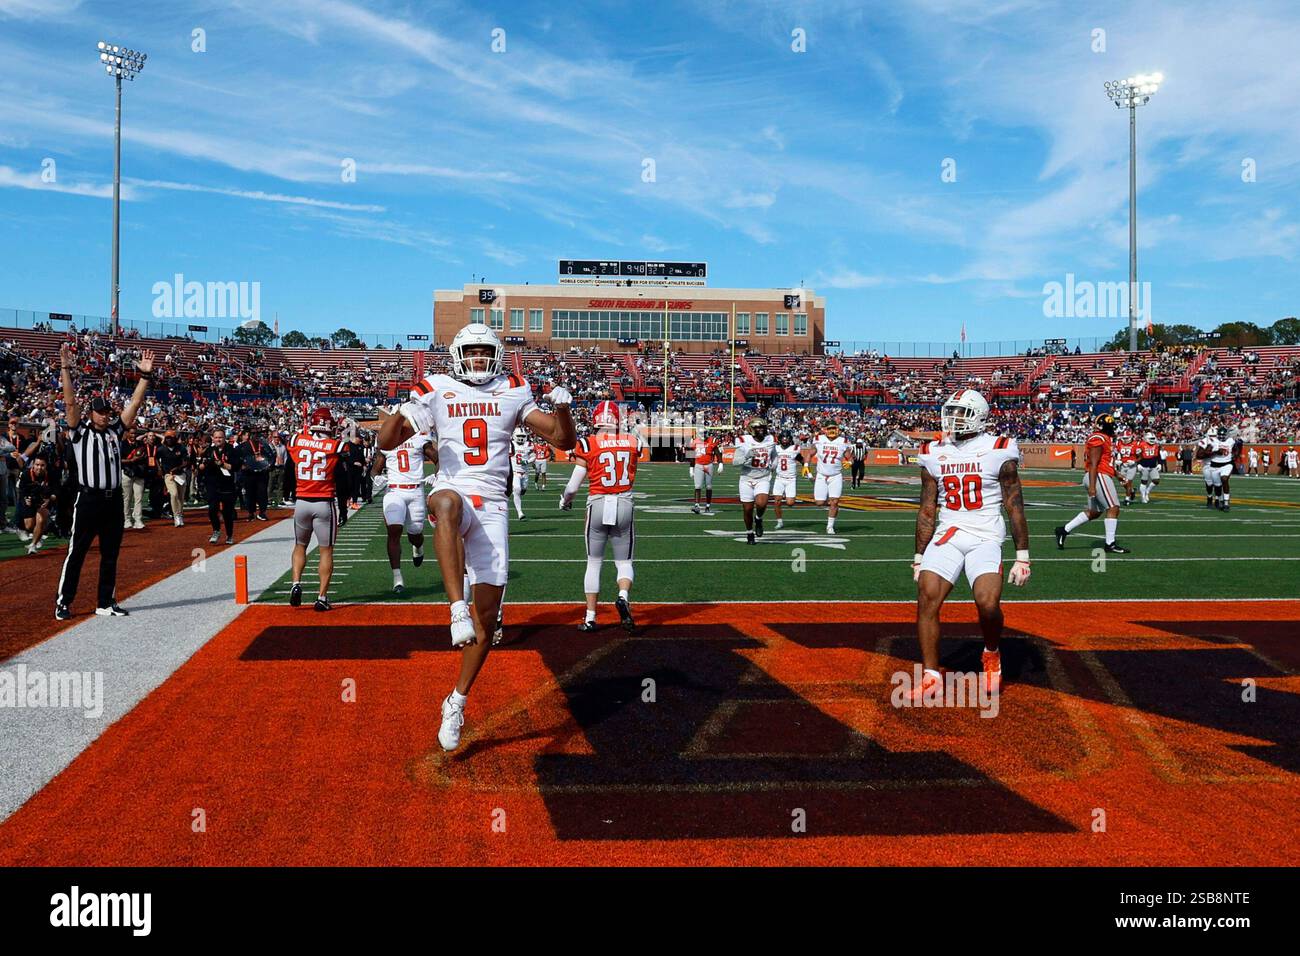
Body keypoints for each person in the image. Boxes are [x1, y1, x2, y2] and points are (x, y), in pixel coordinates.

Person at [378, 321, 575, 753]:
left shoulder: (514, 388)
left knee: (486, 624)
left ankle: (457, 700)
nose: (480, 359)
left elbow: (563, 440)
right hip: (453, 488)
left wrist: (563, 408)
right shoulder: (437, 386)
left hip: (494, 505)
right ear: (458, 355)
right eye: (473, 352)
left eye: (487, 352)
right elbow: (386, 440)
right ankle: (453, 608)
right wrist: (400, 411)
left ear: (497, 355)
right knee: (444, 504)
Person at [911, 389, 1031, 699]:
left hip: (985, 535)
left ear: (978, 415)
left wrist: (1023, 556)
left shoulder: (998, 449)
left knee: (987, 603)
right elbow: (927, 508)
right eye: (950, 411)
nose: (952, 418)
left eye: (960, 412)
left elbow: (1014, 504)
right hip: (949, 532)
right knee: (927, 596)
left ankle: (991, 653)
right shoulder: (933, 451)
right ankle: (931, 674)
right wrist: (918, 555)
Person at [54, 343, 156, 620]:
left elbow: (134, 404)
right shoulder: (79, 433)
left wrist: (144, 377)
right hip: (88, 499)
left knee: (110, 554)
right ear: (91, 414)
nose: (105, 415)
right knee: (77, 553)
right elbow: (70, 402)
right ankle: (64, 601)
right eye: (100, 412)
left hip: (112, 501)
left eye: (107, 412)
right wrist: (65, 368)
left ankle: (105, 601)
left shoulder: (113, 432)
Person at [560, 400, 640, 632]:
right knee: (624, 562)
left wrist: (565, 500)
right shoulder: (632, 441)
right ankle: (623, 596)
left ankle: (590, 617)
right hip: (624, 502)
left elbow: (573, 486)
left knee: (594, 562)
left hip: (597, 503)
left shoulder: (588, 442)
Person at [287, 407, 346, 611]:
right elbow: (344, 457)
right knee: (326, 551)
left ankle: (296, 583)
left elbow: (297, 443)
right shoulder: (336, 445)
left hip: (301, 501)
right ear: (328, 424)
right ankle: (321, 597)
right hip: (323, 502)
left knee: (300, 545)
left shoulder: (296, 440)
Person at [373, 426, 436, 594]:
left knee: (415, 534)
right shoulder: (387, 442)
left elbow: (437, 459)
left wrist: (437, 474)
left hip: (415, 491)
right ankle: (397, 577)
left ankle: (418, 547)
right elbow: (375, 469)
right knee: (394, 530)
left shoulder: (420, 439)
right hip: (394, 491)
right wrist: (376, 477)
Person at [1054, 412, 1129, 553]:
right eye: (1109, 425)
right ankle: (1110, 544)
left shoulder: (1104, 438)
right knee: (1113, 508)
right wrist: (1093, 487)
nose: (1112, 428)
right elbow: (1094, 464)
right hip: (1098, 476)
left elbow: (1103, 462)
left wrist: (1117, 474)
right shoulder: (1098, 437)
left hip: (1098, 475)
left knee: (1094, 512)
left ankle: (1063, 530)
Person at [732, 416, 775, 545]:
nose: (761, 430)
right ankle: (749, 533)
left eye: (762, 427)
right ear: (751, 429)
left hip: (763, 476)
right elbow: (735, 463)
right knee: (747, 509)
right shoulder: (743, 441)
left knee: (762, 504)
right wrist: (746, 456)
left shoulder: (770, 440)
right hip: (746, 477)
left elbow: (774, 455)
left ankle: (759, 518)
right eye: (758, 428)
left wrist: (773, 467)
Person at [199, 426, 239, 544]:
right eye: (216, 437)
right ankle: (216, 530)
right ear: (212, 438)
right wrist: (201, 467)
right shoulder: (209, 451)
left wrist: (222, 463)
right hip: (212, 483)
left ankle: (229, 535)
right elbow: (202, 465)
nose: (218, 440)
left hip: (227, 484)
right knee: (212, 510)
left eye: (220, 437)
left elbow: (235, 466)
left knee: (227, 512)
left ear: (224, 438)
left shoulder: (231, 450)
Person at [809, 420, 847, 534]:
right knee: (819, 503)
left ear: (837, 429)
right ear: (825, 429)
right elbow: (810, 453)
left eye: (833, 428)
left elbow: (850, 455)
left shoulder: (843, 441)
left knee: (834, 502)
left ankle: (830, 526)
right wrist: (806, 465)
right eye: (829, 428)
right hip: (821, 475)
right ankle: (831, 503)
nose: (831, 430)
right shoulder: (819, 439)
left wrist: (850, 461)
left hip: (836, 476)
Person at [770, 429, 803, 530]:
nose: (785, 440)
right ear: (780, 438)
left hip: (791, 479)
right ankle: (779, 522)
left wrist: (806, 468)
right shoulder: (775, 449)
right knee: (777, 501)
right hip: (779, 478)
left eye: (787, 438)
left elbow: (801, 459)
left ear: (790, 439)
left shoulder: (795, 448)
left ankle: (787, 495)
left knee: (790, 503)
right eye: (783, 438)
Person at [1196, 425, 1234, 511]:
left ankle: (1218, 499)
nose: (1213, 438)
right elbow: (1199, 455)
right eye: (1211, 436)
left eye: (1214, 436)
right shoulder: (1206, 441)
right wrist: (1215, 452)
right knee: (1209, 484)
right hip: (1208, 465)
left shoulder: (1227, 441)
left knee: (1219, 483)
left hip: (1220, 464)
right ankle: (1209, 497)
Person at [240, 427, 274, 521]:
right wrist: (242, 465)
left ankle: (262, 512)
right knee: (250, 493)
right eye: (254, 433)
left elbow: (271, 456)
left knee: (262, 493)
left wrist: (269, 465)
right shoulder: (244, 446)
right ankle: (251, 513)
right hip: (249, 474)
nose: (256, 435)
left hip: (262, 474)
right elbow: (238, 457)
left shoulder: (264, 445)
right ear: (250, 434)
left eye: (258, 433)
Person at [158, 429, 189, 526]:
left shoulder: (181, 448)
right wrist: (159, 469)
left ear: (175, 438)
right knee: (174, 494)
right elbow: (156, 459)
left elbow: (186, 462)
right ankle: (176, 515)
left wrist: (178, 467)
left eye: (170, 438)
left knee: (181, 497)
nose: (168, 440)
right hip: (169, 475)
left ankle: (180, 514)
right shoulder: (161, 449)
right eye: (167, 438)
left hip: (180, 474)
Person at [120, 428, 148, 530]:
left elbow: (145, 457)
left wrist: (141, 458)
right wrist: (131, 460)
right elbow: (118, 459)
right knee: (126, 498)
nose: (134, 435)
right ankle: (126, 519)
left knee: (138, 498)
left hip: (139, 473)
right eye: (131, 433)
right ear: (127, 434)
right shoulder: (122, 444)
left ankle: (138, 519)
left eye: (135, 433)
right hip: (127, 473)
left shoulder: (141, 444)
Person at [689, 431, 719, 514]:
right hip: (698, 465)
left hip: (709, 465)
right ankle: (697, 505)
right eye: (701, 433)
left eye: (704, 433)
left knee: (709, 486)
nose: (703, 435)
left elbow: (717, 452)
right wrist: (691, 467)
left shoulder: (711, 441)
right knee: (697, 486)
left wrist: (720, 463)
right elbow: (691, 455)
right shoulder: (694, 441)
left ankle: (708, 506)